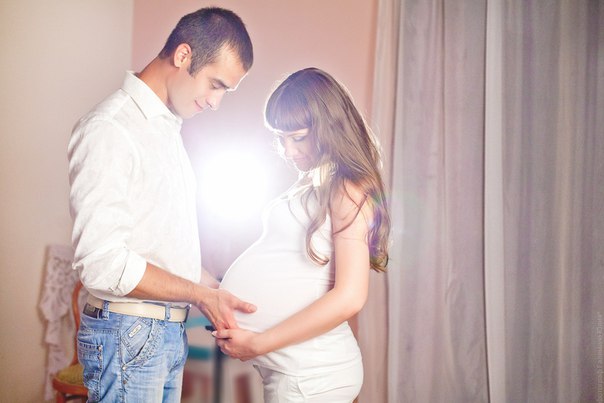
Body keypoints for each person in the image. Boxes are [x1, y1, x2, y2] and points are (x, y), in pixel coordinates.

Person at [67, 7, 256, 402]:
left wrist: (217, 290)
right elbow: (102, 263)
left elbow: (160, 249)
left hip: (162, 333)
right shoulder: (112, 127)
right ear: (183, 55)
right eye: (216, 85)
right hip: (128, 333)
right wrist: (200, 295)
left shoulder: (167, 130)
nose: (216, 102)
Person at [216, 67, 391, 403]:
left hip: (311, 374)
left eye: (297, 138)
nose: (288, 151)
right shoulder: (315, 181)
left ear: (330, 127)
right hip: (298, 372)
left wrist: (258, 343)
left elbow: (351, 296)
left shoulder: (346, 189)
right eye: (281, 138)